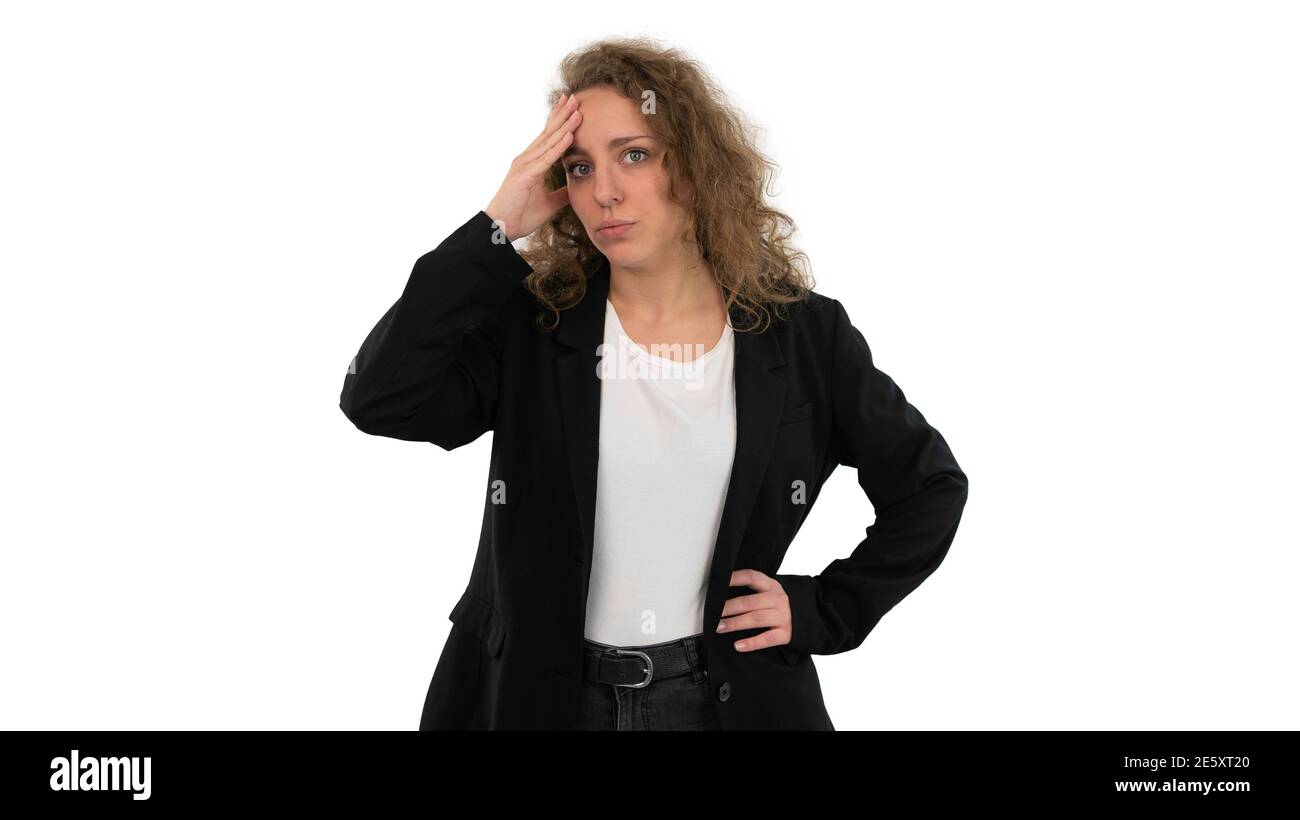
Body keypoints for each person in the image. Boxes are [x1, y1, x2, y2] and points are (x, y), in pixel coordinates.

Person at [339, 37, 969, 731]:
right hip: (540, 701)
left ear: (695, 169)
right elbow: (380, 398)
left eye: (634, 155)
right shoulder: (536, 325)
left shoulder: (802, 335)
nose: (603, 190)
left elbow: (929, 486)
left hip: (722, 702)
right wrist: (496, 228)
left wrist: (824, 607)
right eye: (578, 168)